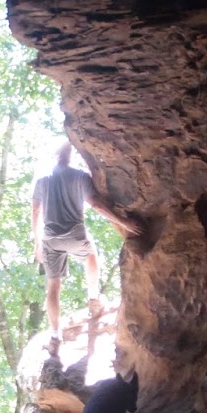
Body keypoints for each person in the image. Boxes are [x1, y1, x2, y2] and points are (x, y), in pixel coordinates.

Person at [31, 143, 143, 339]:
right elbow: (96, 204)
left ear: (56, 157)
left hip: (50, 238)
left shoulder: (42, 181)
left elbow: (35, 211)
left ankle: (55, 336)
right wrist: (123, 222)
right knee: (91, 255)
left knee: (53, 286)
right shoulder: (80, 176)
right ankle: (93, 299)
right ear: (71, 155)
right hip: (74, 234)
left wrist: (37, 242)